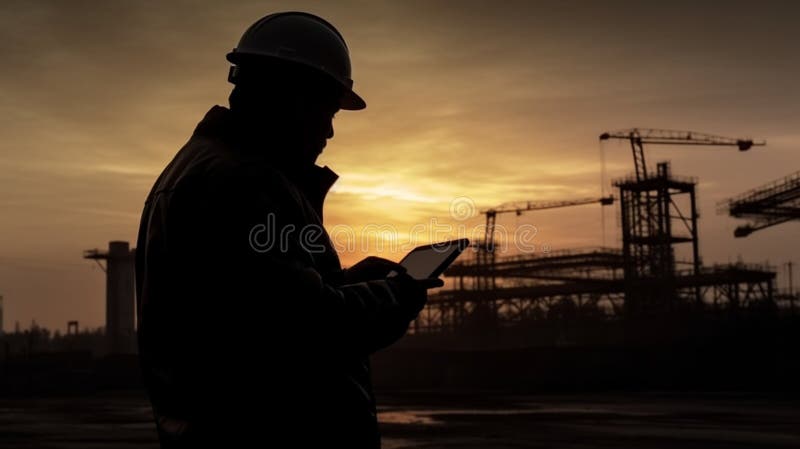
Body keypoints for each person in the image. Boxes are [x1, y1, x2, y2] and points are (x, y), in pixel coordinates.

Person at [134, 11, 442, 449]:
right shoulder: (242, 182)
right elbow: (308, 330)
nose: (331, 130)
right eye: (327, 111)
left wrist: (346, 284)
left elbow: (260, 305)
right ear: (292, 98)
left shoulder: (200, 170)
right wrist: (397, 295)